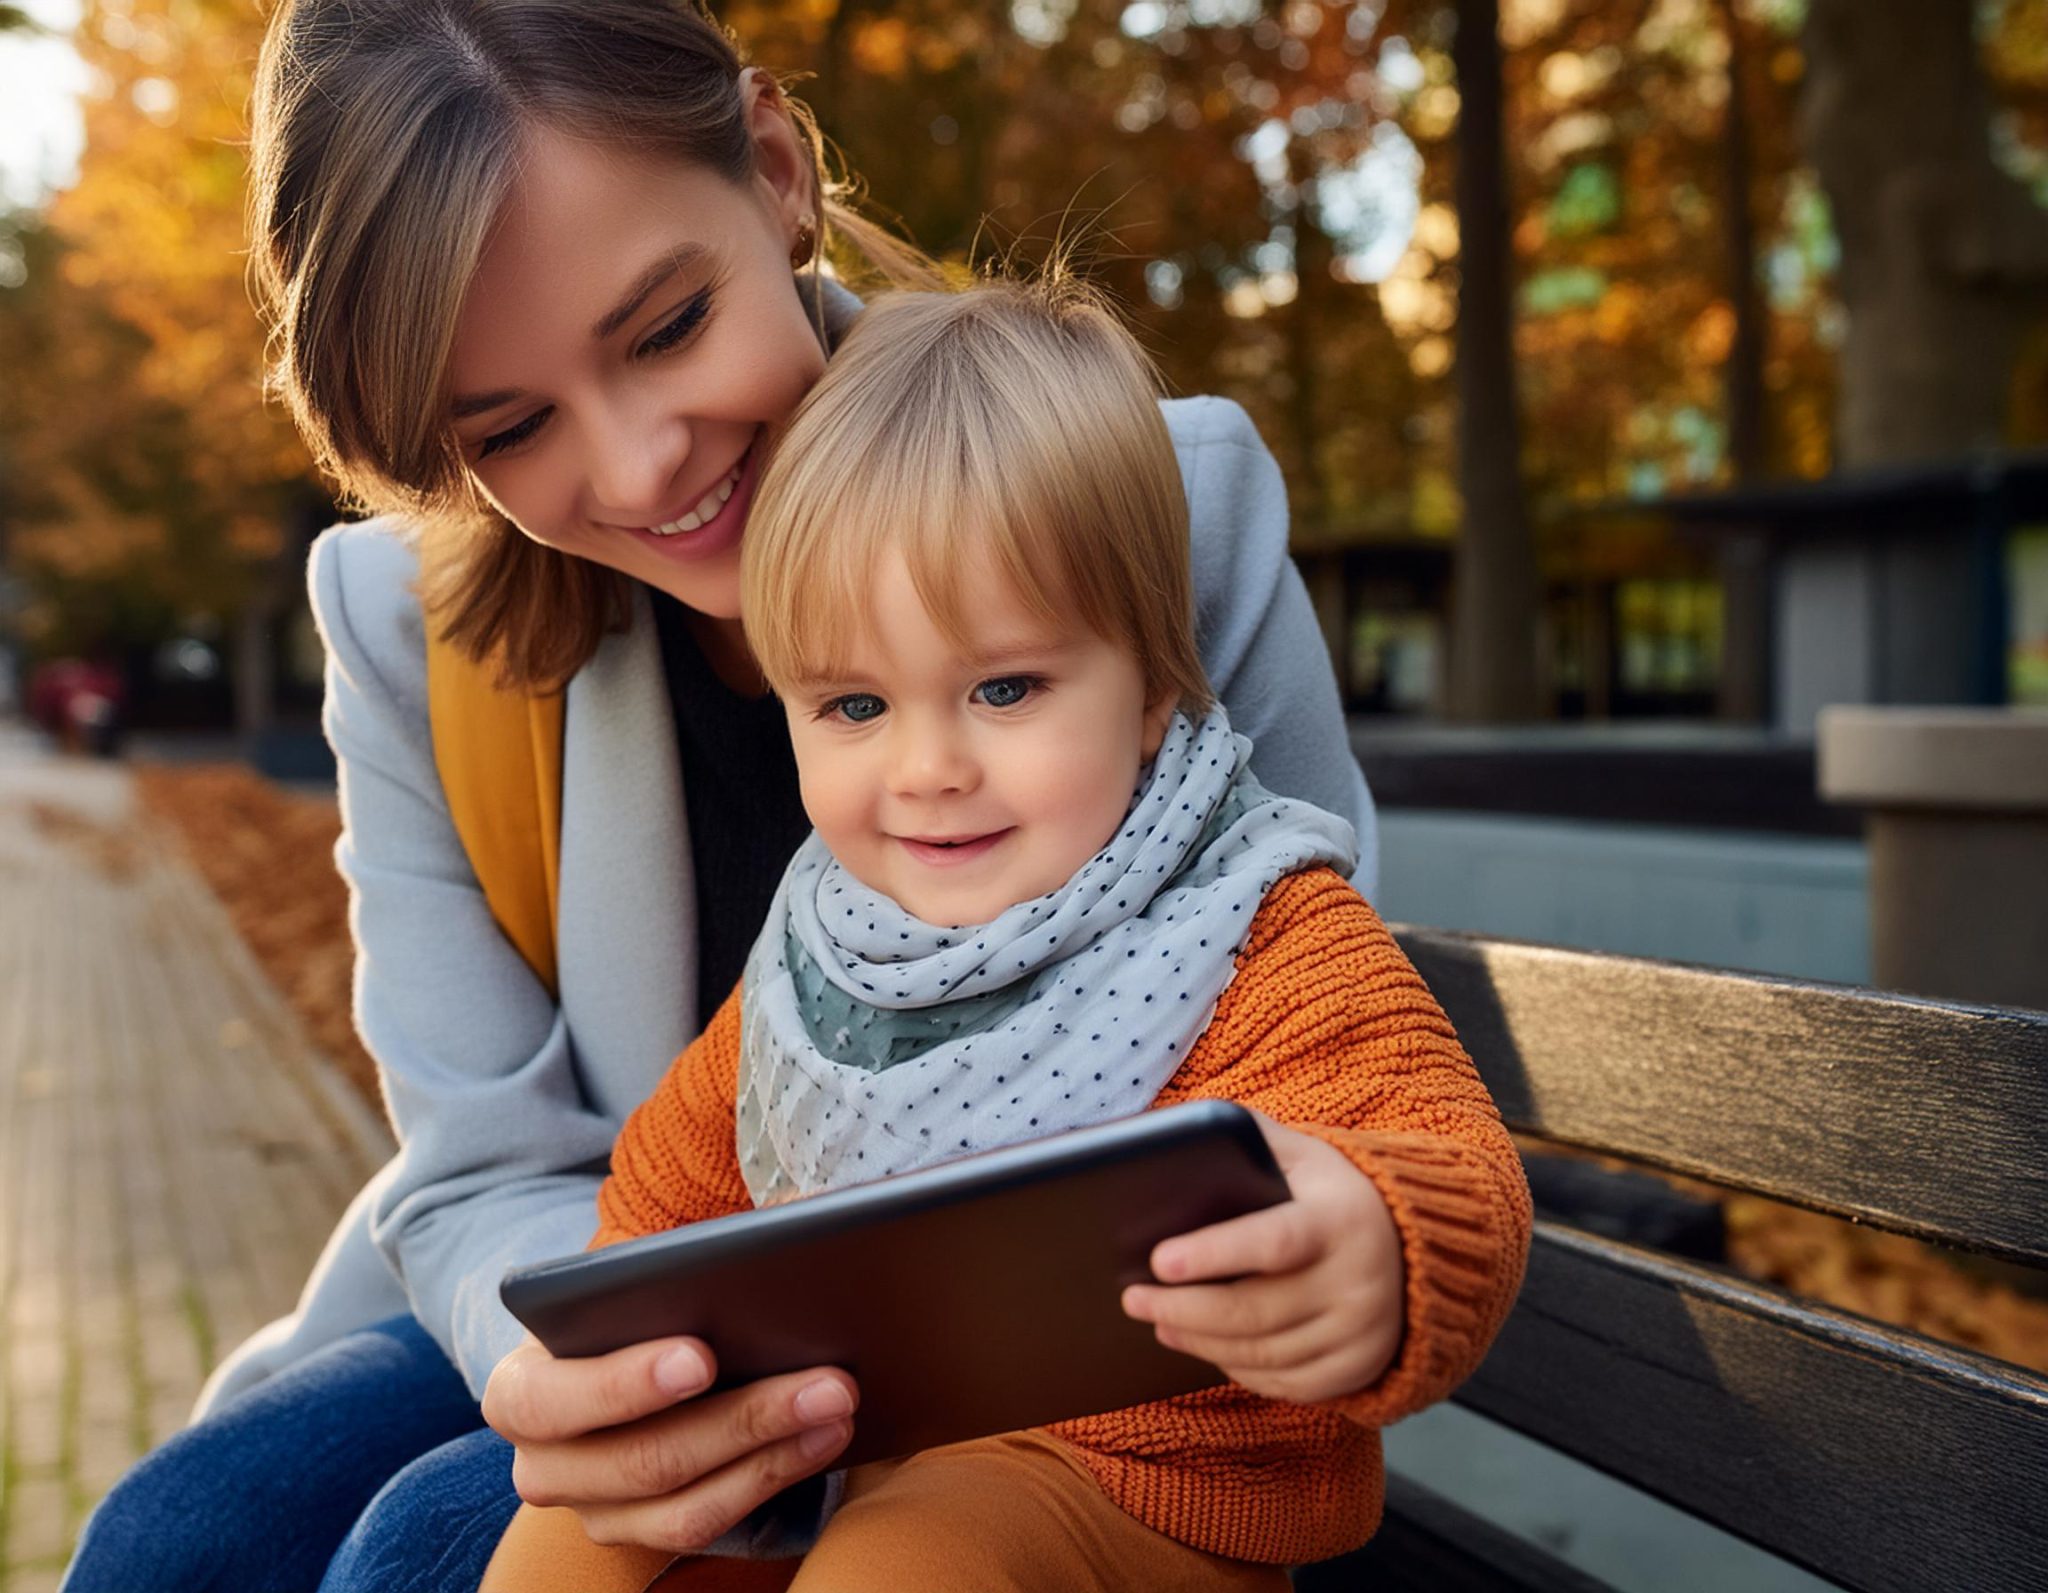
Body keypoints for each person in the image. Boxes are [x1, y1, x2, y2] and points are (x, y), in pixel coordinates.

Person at [60, 2, 1385, 1589]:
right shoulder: (412, 633)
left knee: (421, 1547)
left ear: (775, 169)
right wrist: (601, 1380)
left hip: (1063, 1391)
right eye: (512, 427)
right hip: (616, 1283)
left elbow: (1319, 1041)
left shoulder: (1156, 505)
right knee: (172, 1542)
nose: (638, 471)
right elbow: (486, 1165)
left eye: (667, 328)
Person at [475, 278, 1531, 1592]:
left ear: (1151, 690)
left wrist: (1379, 1240)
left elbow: (1446, 1155)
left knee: (908, 1560)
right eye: (855, 706)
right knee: (576, 1535)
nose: (928, 769)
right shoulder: (834, 951)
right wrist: (618, 1363)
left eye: (1006, 687)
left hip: (1146, 1496)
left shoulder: (1246, 922)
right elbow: (676, 1186)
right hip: (853, 1451)